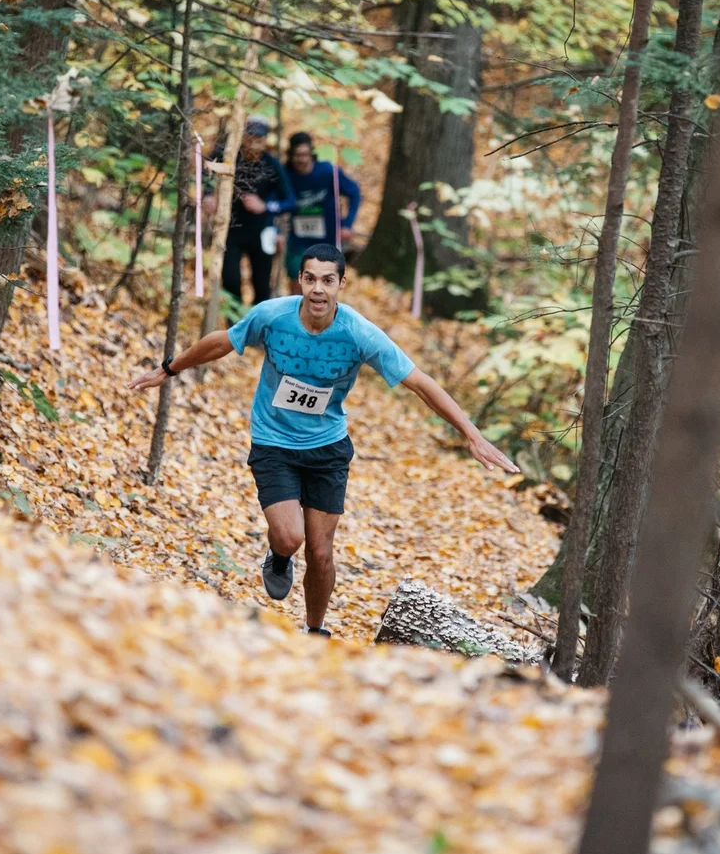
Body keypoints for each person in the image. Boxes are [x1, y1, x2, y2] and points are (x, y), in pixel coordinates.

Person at [127, 243, 518, 636]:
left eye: (327, 280)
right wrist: (170, 369)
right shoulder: (272, 316)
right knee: (289, 536)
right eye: (310, 278)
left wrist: (472, 434)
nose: (318, 289)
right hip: (274, 440)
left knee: (320, 552)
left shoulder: (358, 332)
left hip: (327, 448)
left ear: (341, 284)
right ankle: (279, 557)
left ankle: (315, 631)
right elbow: (223, 341)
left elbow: (419, 383)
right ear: (300, 280)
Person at [203, 115, 295, 306]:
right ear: (243, 137)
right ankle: (235, 326)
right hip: (231, 229)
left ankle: (257, 326)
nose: (253, 144)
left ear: (265, 141)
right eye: (249, 138)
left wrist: (265, 206)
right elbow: (206, 167)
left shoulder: (271, 164)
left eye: (258, 139)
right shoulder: (230, 156)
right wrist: (209, 194)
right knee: (230, 279)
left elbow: (290, 201)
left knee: (261, 285)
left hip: (262, 231)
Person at [283, 131, 362, 294]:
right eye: (297, 155)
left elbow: (354, 192)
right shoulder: (285, 175)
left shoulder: (328, 172)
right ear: (291, 155)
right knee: (297, 285)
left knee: (324, 287)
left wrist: (347, 224)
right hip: (298, 241)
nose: (302, 159)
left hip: (327, 241)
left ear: (311, 153)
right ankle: (297, 318)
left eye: (305, 154)